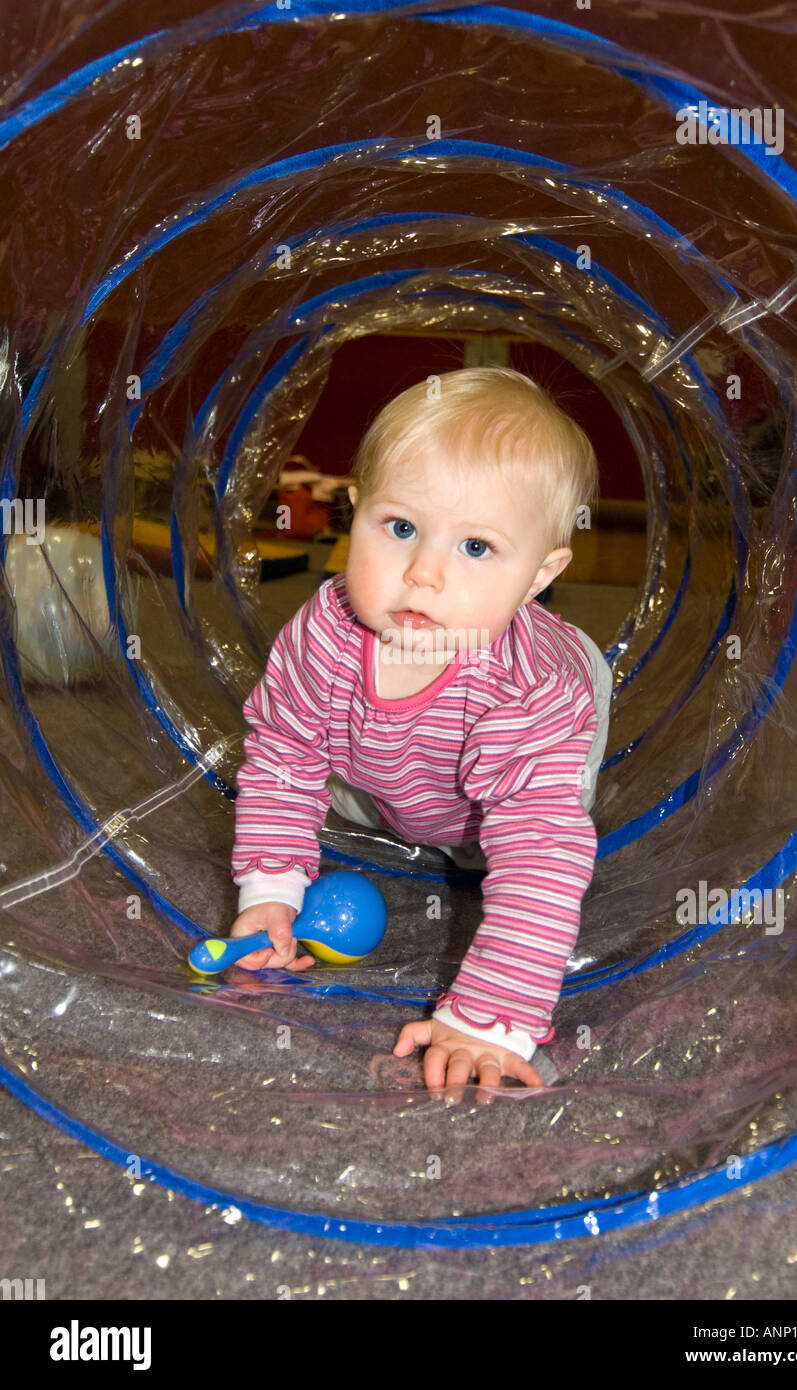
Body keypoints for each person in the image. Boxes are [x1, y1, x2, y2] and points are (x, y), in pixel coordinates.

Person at [228, 367, 613, 1094]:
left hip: (542, 724)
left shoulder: (530, 691)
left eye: (477, 547)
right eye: (401, 528)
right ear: (355, 511)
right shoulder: (323, 632)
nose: (424, 573)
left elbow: (540, 845)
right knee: (314, 760)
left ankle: (557, 694)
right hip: (389, 767)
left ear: (538, 575)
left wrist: (491, 1019)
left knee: (534, 815)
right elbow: (283, 754)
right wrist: (269, 893)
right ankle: (411, 806)